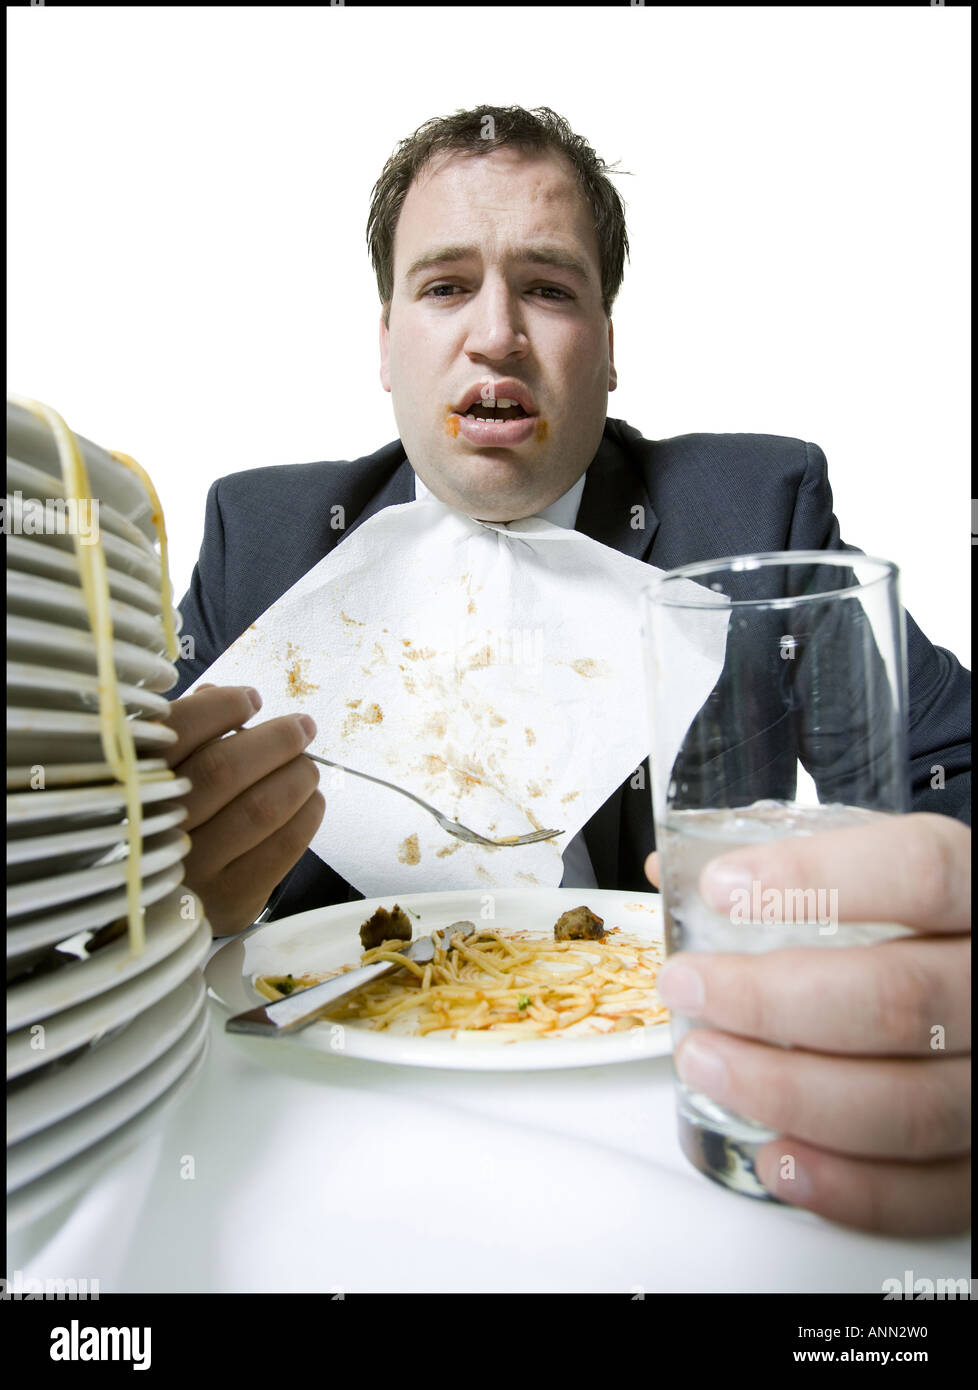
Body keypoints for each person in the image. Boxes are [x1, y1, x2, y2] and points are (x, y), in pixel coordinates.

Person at [163, 106, 970, 1237]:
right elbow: (116, 854)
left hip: (666, 1113)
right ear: (385, 337)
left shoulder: (749, 509)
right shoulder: (261, 533)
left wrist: (923, 911)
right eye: (445, 286)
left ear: (608, 337)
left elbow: (944, 768)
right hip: (320, 1114)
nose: (496, 333)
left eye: (548, 286)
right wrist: (166, 891)